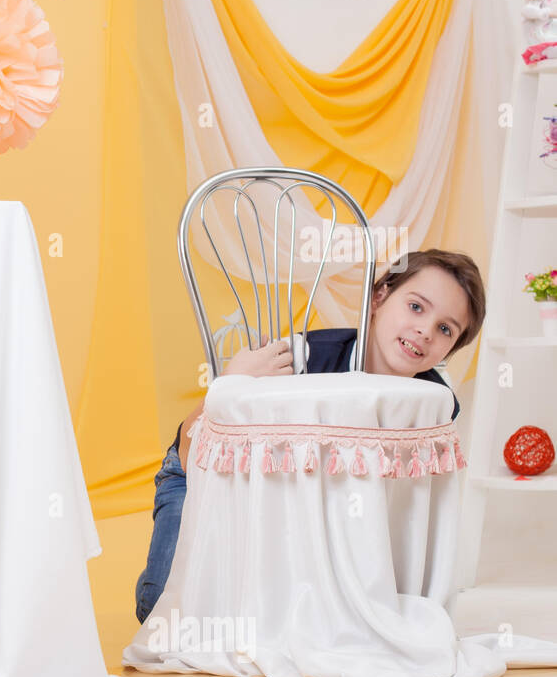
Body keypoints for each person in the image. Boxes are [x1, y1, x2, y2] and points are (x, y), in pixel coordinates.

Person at [133, 249, 487, 623]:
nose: (425, 331)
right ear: (379, 297)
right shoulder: (303, 357)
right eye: (416, 307)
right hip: (210, 483)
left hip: (309, 514)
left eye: (446, 329)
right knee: (166, 618)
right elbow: (191, 448)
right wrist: (230, 387)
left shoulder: (432, 406)